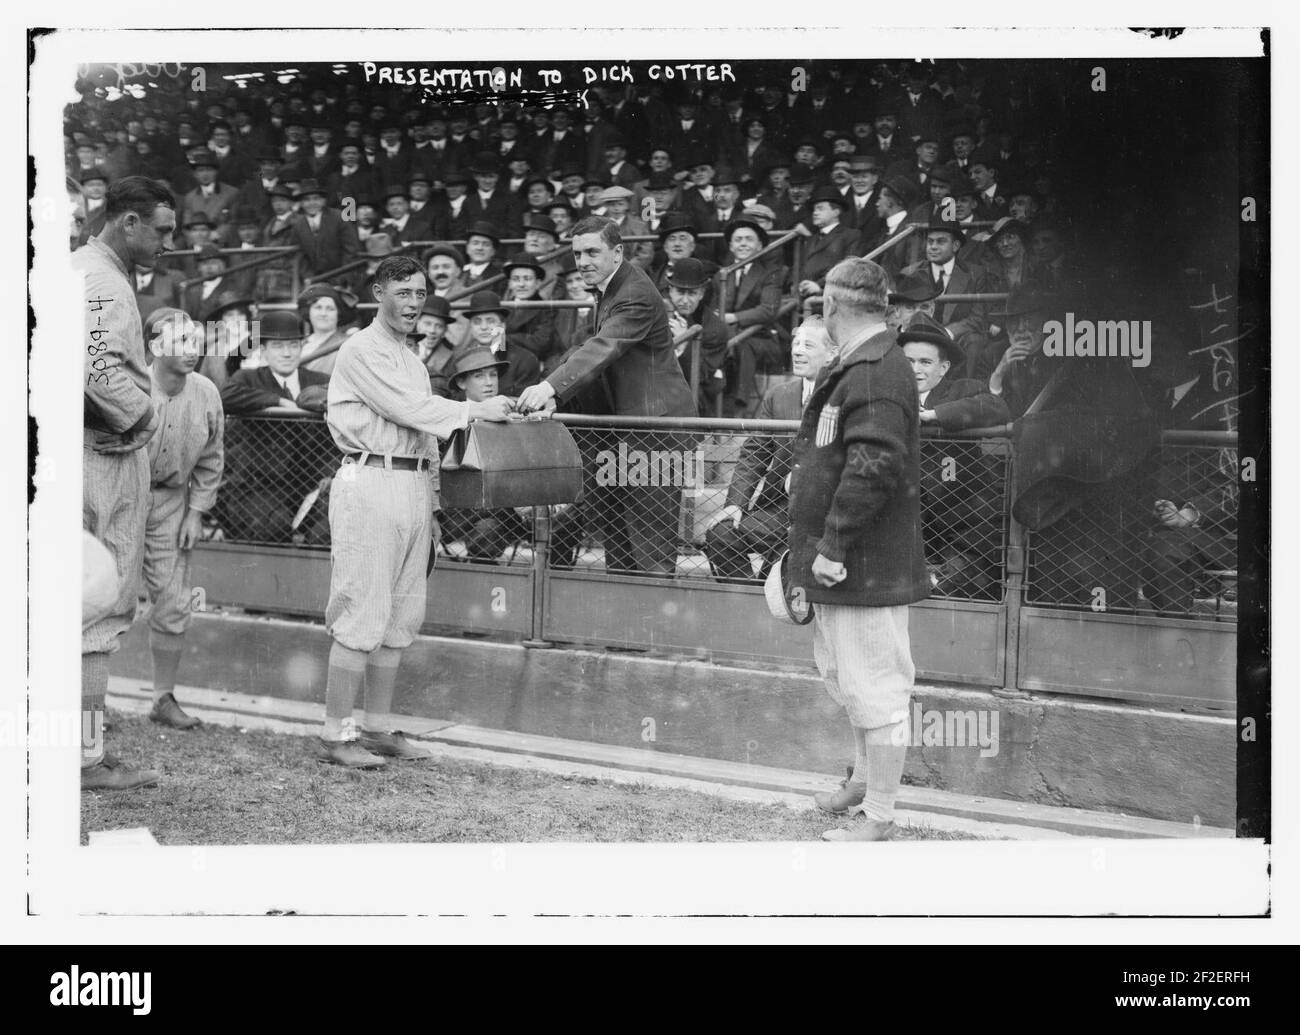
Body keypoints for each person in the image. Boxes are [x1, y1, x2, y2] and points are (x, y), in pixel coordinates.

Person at [319, 254, 512, 767]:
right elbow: (410, 410)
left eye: (420, 294)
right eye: (402, 292)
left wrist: (430, 505)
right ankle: (336, 736)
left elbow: (424, 435)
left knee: (401, 614)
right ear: (378, 292)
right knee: (361, 609)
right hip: (368, 477)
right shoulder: (361, 348)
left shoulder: (408, 356)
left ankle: (377, 728)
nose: (412, 303)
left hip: (407, 482)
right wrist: (474, 409)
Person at [787, 258, 929, 842]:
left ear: (832, 309)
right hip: (841, 558)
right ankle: (863, 786)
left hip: (860, 560)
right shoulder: (862, 364)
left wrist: (835, 544)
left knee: (878, 688)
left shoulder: (874, 370)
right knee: (849, 681)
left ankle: (881, 816)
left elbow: (874, 466)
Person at [517, 216, 697, 576]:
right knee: (620, 546)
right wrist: (554, 392)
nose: (583, 261)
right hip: (625, 434)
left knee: (650, 552)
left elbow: (603, 346)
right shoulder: (610, 288)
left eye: (592, 252)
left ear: (617, 252)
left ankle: (652, 630)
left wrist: (549, 387)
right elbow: (582, 349)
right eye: (577, 253)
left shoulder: (635, 293)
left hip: (657, 433)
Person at [78, 175, 176, 791]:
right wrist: (139, 419)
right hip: (103, 454)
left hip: (72, 448)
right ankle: (84, 759)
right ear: (129, 223)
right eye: (161, 229)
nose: (168, 241)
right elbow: (95, 363)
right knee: (100, 604)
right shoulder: (105, 279)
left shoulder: (75, 266)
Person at [139, 308, 225, 728]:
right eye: (181, 342)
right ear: (155, 347)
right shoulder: (127, 381)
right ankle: (86, 705)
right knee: (101, 601)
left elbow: (211, 458)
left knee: (174, 600)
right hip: (120, 495)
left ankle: (162, 699)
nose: (193, 350)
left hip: (174, 500)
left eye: (195, 341)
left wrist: (196, 513)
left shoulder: (206, 391)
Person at [705, 318, 834, 582]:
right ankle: (746, 597)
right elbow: (753, 454)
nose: (797, 350)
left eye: (808, 345)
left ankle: (768, 589)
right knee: (721, 533)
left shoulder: (845, 396)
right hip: (777, 511)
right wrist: (735, 505)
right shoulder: (779, 396)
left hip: (823, 516)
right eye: (796, 343)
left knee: (779, 579)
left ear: (833, 353)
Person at [900, 312, 1010, 599]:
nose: (915, 370)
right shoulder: (889, 397)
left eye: (925, 362)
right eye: (908, 361)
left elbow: (995, 407)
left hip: (965, 527)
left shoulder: (963, 390)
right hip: (911, 529)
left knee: (948, 587)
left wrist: (934, 416)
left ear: (943, 367)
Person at [438, 346, 533, 563]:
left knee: (488, 531)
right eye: (479, 376)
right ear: (462, 383)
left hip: (501, 513)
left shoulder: (514, 414)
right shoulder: (451, 416)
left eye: (493, 375)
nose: (489, 382)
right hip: (457, 509)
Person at [664, 257, 729, 414]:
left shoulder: (715, 328)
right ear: (670, 290)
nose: (685, 300)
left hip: (693, 394)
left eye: (692, 293)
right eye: (680, 292)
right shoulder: (658, 314)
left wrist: (684, 343)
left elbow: (701, 375)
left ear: (701, 293)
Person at [459, 289, 542, 397]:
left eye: (490, 321)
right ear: (470, 327)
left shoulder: (525, 360)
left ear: (502, 326)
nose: (484, 327)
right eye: (477, 322)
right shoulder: (462, 360)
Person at [297, 283, 357, 377]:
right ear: (309, 312)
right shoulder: (300, 343)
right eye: (318, 307)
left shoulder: (346, 343)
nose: (323, 313)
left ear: (338, 314)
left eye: (330, 309)